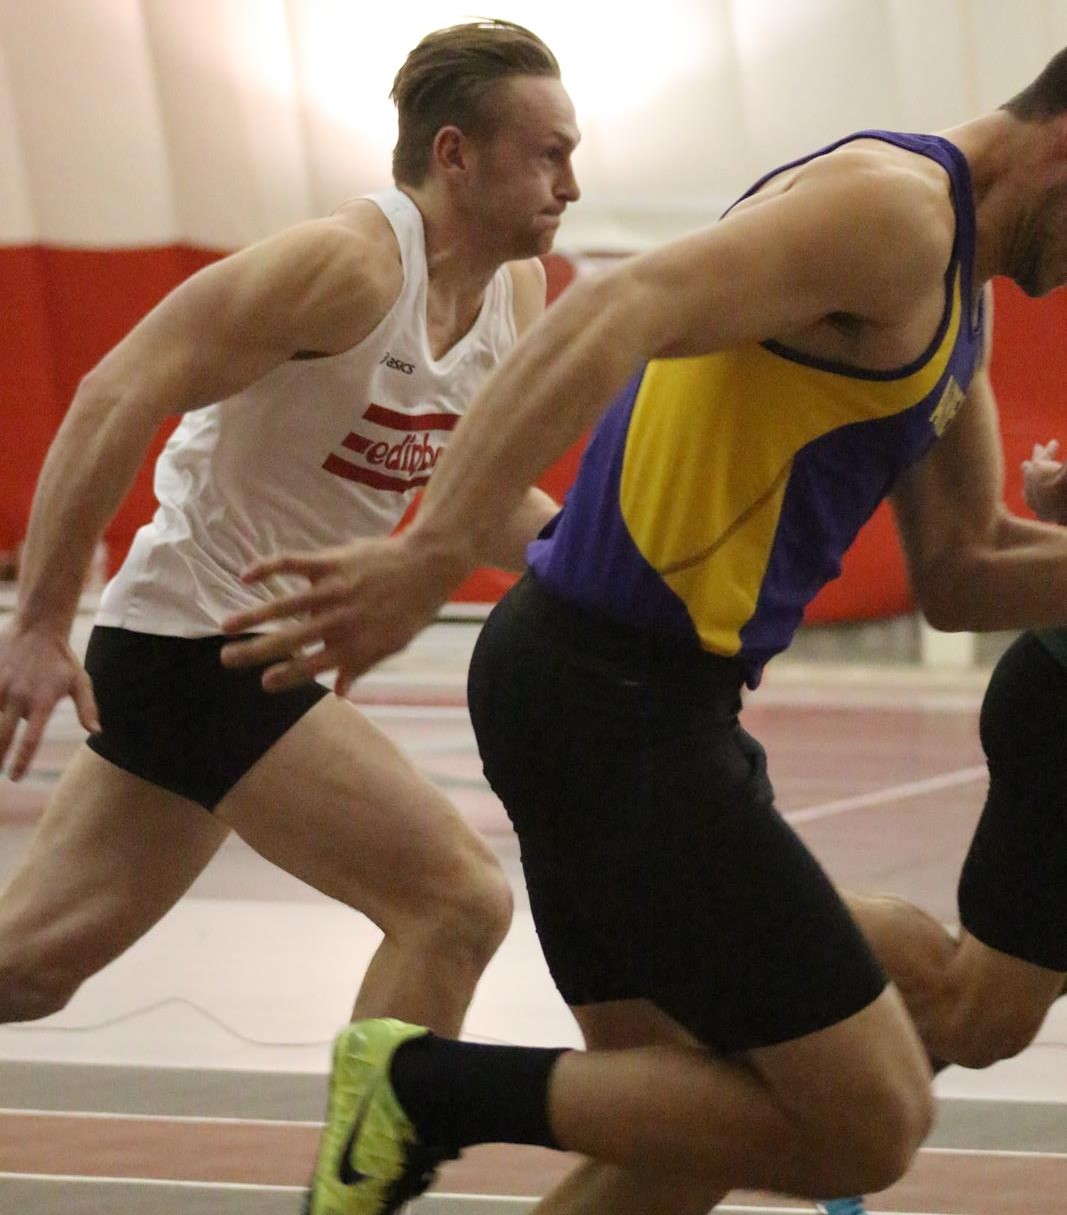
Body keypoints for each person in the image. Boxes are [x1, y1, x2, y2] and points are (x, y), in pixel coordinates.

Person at [221, 47, 1067, 1215]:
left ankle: (425, 1092)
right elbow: (619, 306)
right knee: (867, 1128)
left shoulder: (950, 286)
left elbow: (966, 569)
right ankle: (423, 1089)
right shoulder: (893, 217)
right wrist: (429, 553)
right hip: (610, 699)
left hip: (621, 698)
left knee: (678, 1147)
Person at [0, 20, 579, 1066]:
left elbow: (475, 498)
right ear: (454, 154)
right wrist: (40, 623)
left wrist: (622, 570)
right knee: (454, 902)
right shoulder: (348, 268)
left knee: (30, 968)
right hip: (198, 641)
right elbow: (112, 392)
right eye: (549, 153)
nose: (571, 184)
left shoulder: (516, 293)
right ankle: (354, 1189)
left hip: (231, 659)